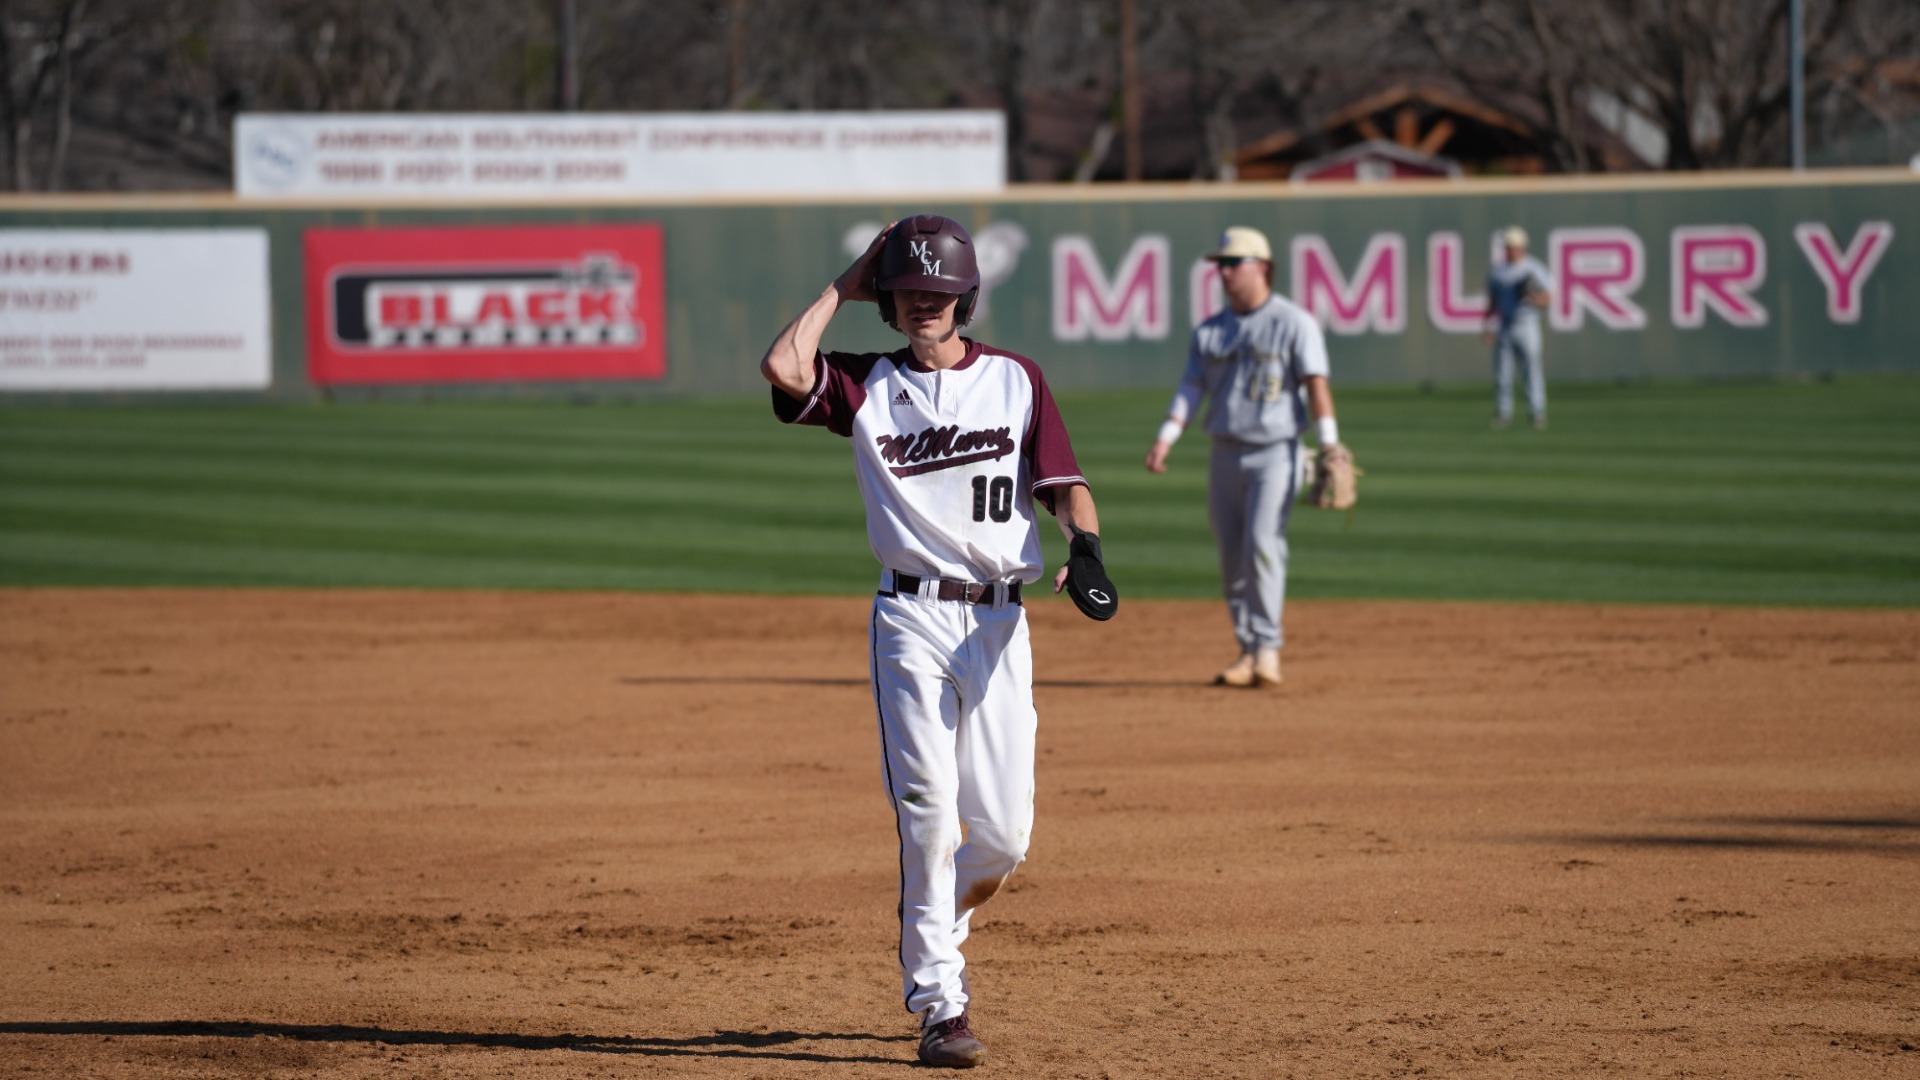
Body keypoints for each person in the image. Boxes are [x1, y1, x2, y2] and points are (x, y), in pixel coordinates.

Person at [758, 215, 1115, 1069]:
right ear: (888, 300)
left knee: (1002, 837)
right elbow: (782, 367)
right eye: (907, 290)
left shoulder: (1017, 381)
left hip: (999, 622)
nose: (923, 304)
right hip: (910, 622)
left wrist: (1087, 547)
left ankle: (931, 919)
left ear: (964, 297)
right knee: (927, 813)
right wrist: (845, 284)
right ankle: (940, 1001)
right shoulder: (865, 385)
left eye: (937, 291)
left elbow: (1065, 486)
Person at [1144, 225, 1345, 689]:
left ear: (1263, 268)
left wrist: (1330, 442)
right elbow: (1191, 388)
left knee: (1261, 544)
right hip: (1225, 453)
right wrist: (1166, 437)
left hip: (1277, 452)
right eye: (1221, 265)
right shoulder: (1211, 330)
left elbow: (1316, 384)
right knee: (1233, 558)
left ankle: (1269, 648)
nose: (1225, 272)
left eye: (1234, 263)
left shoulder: (1294, 322)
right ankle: (1248, 649)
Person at [1484, 225, 1555, 429]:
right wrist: (1488, 326)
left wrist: (1532, 298)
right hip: (1505, 324)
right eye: (1507, 246)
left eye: (1513, 246)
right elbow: (1492, 301)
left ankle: (1537, 412)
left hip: (1527, 323)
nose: (1509, 250)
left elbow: (1549, 299)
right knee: (1502, 373)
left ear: (1522, 247)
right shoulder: (1497, 271)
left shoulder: (1533, 268)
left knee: (1531, 371)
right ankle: (1503, 413)